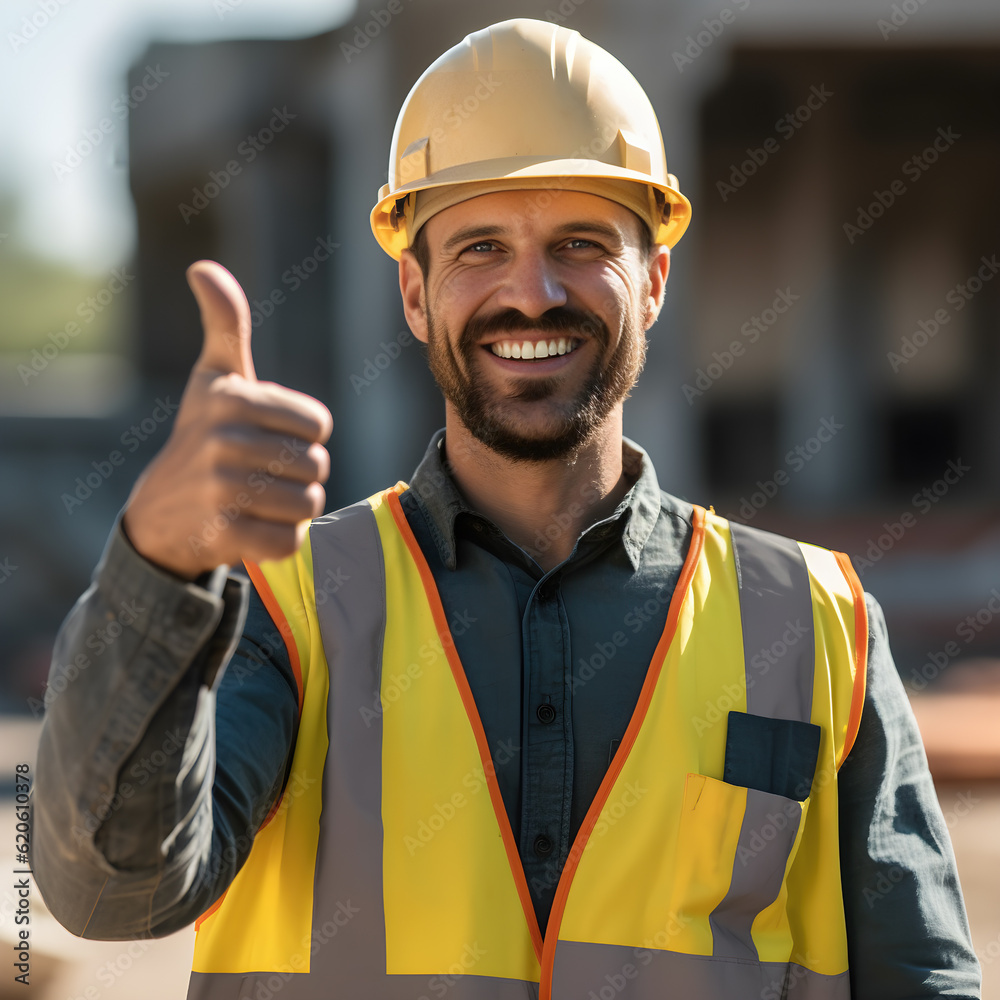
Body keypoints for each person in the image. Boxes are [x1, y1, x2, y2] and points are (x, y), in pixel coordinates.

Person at [32, 18, 981, 1000]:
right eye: (481, 246)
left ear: (652, 281)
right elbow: (112, 894)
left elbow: (923, 981)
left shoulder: (816, 623)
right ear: (414, 290)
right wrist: (160, 562)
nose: (531, 293)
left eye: (579, 242)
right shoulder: (289, 609)